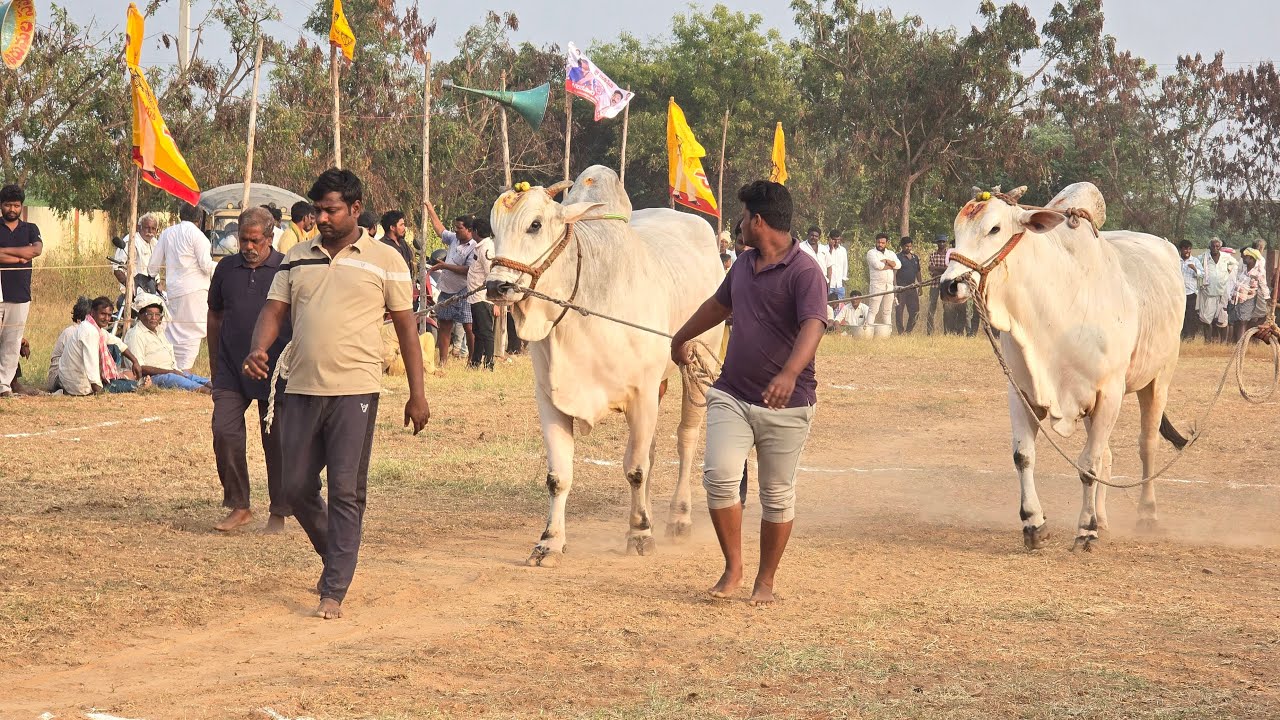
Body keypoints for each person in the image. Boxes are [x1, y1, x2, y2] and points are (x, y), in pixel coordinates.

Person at [244, 168, 429, 620]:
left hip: (356, 391)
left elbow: (407, 329)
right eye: (319, 210)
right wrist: (258, 347)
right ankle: (337, 554)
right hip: (299, 388)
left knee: (346, 491)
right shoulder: (296, 257)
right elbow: (274, 309)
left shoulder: (386, 260)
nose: (322, 218)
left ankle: (334, 588)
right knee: (295, 486)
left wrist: (416, 394)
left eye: (332, 210)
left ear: (356, 209)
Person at [670, 180, 826, 607]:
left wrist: (790, 374)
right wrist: (681, 337)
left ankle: (766, 582)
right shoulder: (741, 265)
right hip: (732, 394)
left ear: (758, 221)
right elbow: (719, 305)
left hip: (787, 405)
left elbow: (814, 325)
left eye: (743, 217)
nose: (739, 225)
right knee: (719, 478)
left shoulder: (806, 272)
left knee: (776, 494)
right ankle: (733, 569)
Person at [209, 207, 294, 533]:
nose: (247, 246)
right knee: (225, 431)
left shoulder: (286, 268)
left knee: (276, 441)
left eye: (254, 240)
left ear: (270, 238)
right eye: (243, 239)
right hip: (231, 367)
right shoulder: (226, 269)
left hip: (276, 370)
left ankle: (280, 510)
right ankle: (239, 505)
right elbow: (214, 316)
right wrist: (216, 364)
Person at [149, 203, 215, 370]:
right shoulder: (199, 237)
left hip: (173, 291)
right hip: (195, 291)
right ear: (199, 220)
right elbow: (207, 266)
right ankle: (183, 369)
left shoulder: (166, 233)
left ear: (180, 216)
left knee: (173, 329)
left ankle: (172, 366)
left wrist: (155, 280)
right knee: (193, 329)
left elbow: (152, 267)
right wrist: (226, 267)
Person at [50, 297, 142, 395]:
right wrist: (98, 391)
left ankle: (114, 378)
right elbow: (91, 363)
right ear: (92, 312)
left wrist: (135, 361)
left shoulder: (92, 327)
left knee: (114, 348)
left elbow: (117, 342)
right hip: (80, 386)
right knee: (133, 386)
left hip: (72, 381)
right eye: (103, 314)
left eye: (109, 315)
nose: (106, 318)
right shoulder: (90, 331)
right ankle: (116, 381)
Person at [0, 184, 42, 398]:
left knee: (12, 341)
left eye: (16, 205)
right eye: (8, 204)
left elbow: (35, 250)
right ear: (1, 206)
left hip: (20, 293)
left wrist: (4, 251)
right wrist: (19, 257)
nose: (12, 209)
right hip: (0, 291)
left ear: (21, 207)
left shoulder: (30, 228)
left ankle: (4, 386)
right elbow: (26, 254)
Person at [124, 294, 211, 392]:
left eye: (157, 315)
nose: (154, 318)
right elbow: (139, 367)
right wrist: (170, 371)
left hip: (170, 372)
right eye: (150, 314)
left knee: (193, 377)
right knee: (175, 378)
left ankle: (219, 388)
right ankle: (210, 393)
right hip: (150, 378)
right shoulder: (136, 334)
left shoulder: (158, 331)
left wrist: (173, 371)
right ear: (140, 315)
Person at [425, 204, 476, 369]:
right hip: (446, 290)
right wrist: (430, 209)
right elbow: (440, 230)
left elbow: (467, 270)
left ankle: (471, 361)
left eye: (459, 228)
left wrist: (444, 266)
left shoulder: (474, 246)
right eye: (455, 227)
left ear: (469, 230)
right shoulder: (454, 238)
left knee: (469, 327)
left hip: (464, 292)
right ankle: (443, 361)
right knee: (445, 325)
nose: (456, 230)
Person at [467, 217, 497, 371]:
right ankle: (475, 362)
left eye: (472, 230)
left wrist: (496, 302)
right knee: (477, 331)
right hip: (474, 297)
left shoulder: (486, 249)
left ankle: (489, 363)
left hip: (483, 298)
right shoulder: (479, 247)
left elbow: (491, 274)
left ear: (476, 231)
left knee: (486, 332)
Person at [1197, 237, 1238, 344]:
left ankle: (1223, 343)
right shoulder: (1203, 258)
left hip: (1222, 293)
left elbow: (1234, 264)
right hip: (1208, 293)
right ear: (1209, 246)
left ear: (1220, 247)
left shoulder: (1226, 257)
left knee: (1223, 318)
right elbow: (1197, 268)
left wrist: (1227, 272)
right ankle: (1208, 342)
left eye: (1217, 246)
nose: (1215, 248)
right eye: (1213, 246)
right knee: (1206, 319)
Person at [1228, 247, 1270, 343]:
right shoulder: (1244, 268)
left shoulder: (1259, 271)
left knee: (1243, 321)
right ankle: (1236, 344)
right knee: (1237, 321)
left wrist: (1267, 299)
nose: (1243, 258)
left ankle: (1240, 344)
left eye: (1245, 257)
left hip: (1248, 299)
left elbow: (1264, 286)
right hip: (1237, 298)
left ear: (1251, 258)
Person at [113, 213, 162, 295]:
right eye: (147, 228)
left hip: (152, 290)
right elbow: (117, 268)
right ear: (139, 227)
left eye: (153, 229)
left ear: (157, 231)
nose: (150, 231)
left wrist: (158, 284)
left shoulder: (156, 243)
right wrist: (130, 286)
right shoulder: (131, 242)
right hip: (134, 292)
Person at [864, 232, 899, 329]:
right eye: (879, 242)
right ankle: (867, 332)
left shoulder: (890, 253)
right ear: (875, 242)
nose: (880, 244)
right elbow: (878, 265)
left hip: (889, 286)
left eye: (883, 243)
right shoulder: (871, 253)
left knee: (887, 312)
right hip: (877, 285)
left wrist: (887, 261)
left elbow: (898, 265)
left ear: (886, 243)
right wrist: (891, 266)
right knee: (873, 310)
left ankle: (887, 333)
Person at [894, 236, 922, 334]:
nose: (908, 248)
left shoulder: (915, 257)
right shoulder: (897, 257)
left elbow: (918, 272)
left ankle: (908, 331)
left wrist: (920, 286)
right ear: (902, 246)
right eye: (906, 246)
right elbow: (894, 273)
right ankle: (900, 332)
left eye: (910, 246)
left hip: (912, 287)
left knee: (915, 311)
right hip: (901, 288)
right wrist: (895, 286)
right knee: (899, 311)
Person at [1178, 240, 1203, 340]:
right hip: (1178, 293)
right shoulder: (1176, 260)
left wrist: (1194, 269)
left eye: (1189, 249)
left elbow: (1203, 275)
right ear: (1181, 249)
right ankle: (1180, 336)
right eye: (1185, 249)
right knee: (1180, 315)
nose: (1187, 251)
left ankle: (1189, 337)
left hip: (1190, 293)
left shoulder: (1195, 261)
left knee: (1190, 315)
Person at [925, 235, 949, 335]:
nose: (941, 244)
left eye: (943, 242)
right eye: (939, 242)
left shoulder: (949, 255)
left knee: (947, 308)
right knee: (931, 308)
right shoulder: (933, 255)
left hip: (946, 284)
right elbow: (931, 270)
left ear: (946, 242)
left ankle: (946, 331)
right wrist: (944, 270)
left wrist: (937, 269)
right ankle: (929, 332)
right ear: (937, 243)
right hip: (934, 284)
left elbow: (950, 270)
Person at [826, 230, 848, 300]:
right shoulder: (824, 249)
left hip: (839, 285)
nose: (836, 242)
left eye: (838, 240)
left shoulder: (843, 250)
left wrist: (843, 279)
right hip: (829, 284)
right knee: (828, 307)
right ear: (830, 239)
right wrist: (831, 248)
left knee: (840, 307)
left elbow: (845, 265)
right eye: (834, 240)